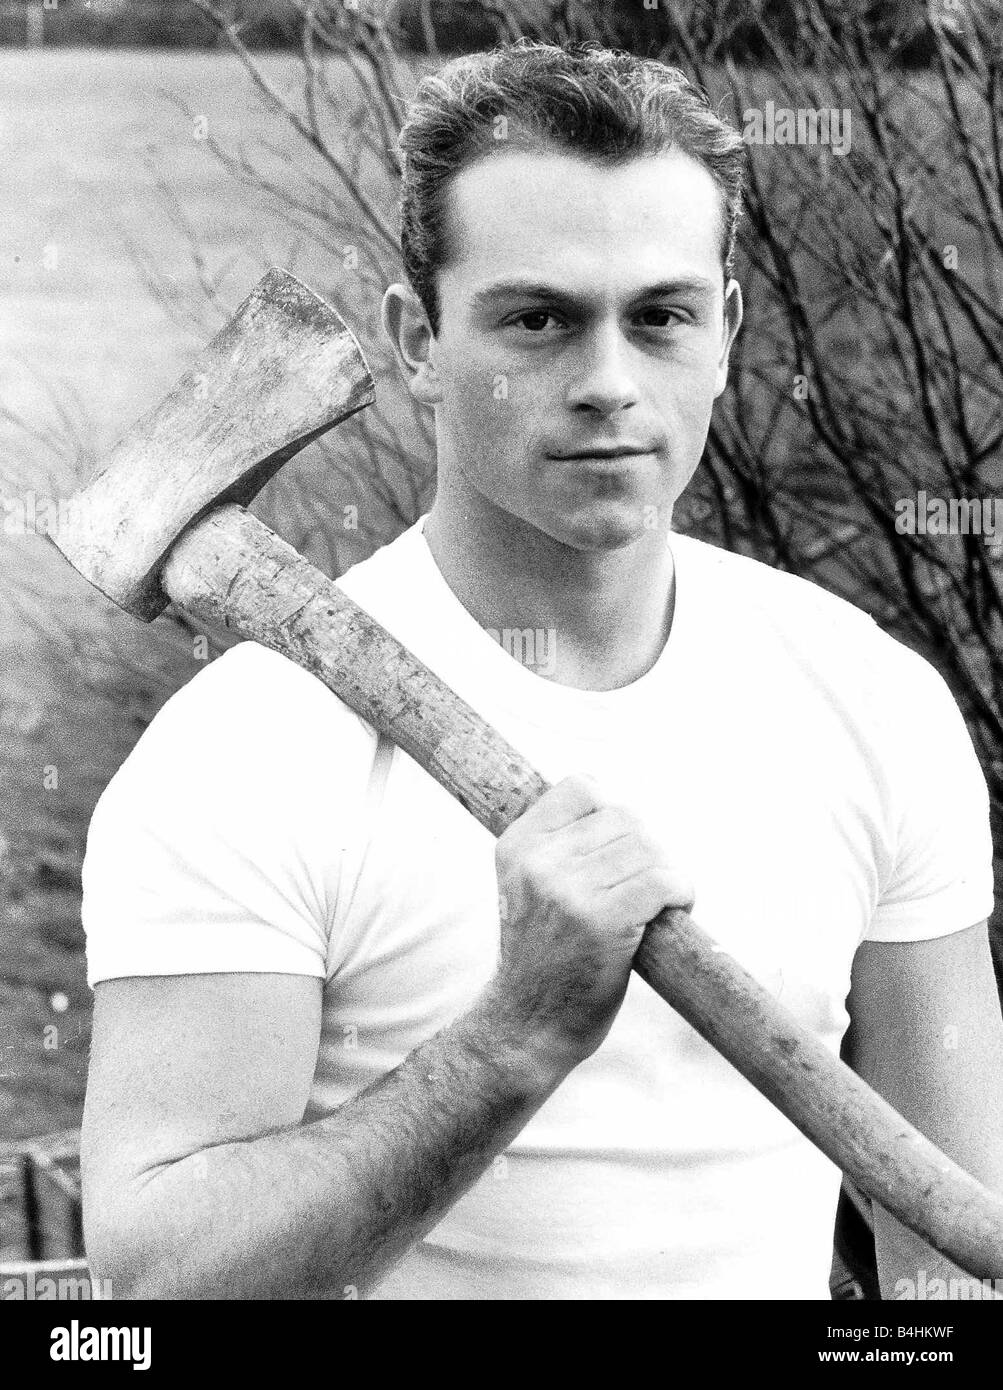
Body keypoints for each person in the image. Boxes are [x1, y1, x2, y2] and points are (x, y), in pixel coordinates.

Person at [79, 39, 1002, 1301]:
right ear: (417, 340)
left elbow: (948, 1257)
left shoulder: (871, 702)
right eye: (538, 320)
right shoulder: (242, 754)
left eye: (661, 316)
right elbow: (152, 1293)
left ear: (727, 330)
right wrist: (514, 1036)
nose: (611, 384)